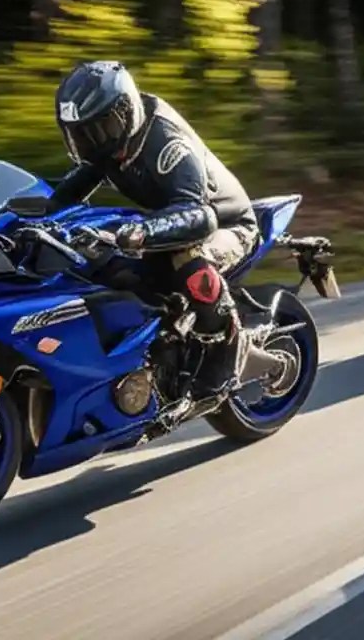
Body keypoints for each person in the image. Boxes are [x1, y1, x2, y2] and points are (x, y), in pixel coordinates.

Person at [47, 60, 278, 399]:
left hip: (227, 224)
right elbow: (60, 199)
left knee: (188, 259)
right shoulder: (107, 148)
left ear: (124, 112)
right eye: (80, 133)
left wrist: (142, 231)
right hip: (168, 221)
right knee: (97, 260)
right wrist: (11, 214)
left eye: (97, 129)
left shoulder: (167, 143)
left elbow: (199, 216)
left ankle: (227, 350)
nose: (89, 141)